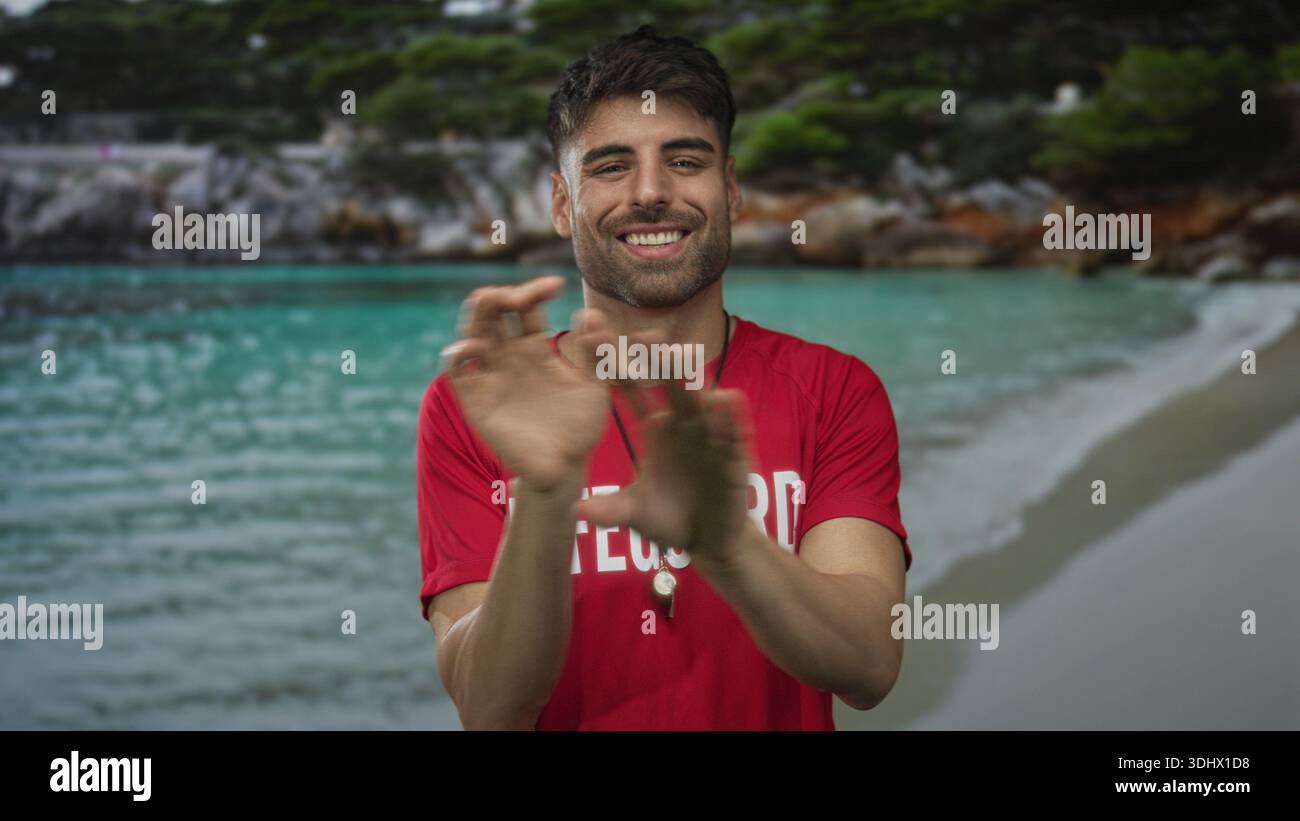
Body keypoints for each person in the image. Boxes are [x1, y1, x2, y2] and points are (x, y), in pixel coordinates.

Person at [417, 25, 909, 730]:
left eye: (684, 159)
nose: (651, 193)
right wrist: (548, 492)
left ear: (731, 189)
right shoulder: (473, 405)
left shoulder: (835, 389)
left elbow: (868, 663)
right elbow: (490, 709)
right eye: (611, 166)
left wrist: (728, 541)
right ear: (562, 204)